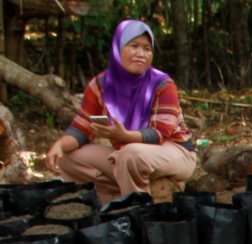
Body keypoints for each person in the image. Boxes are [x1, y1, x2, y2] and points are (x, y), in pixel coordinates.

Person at [44, 20, 195, 204]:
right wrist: (59, 145)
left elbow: (160, 133)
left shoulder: (162, 84)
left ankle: (138, 212)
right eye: (134, 46)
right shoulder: (100, 84)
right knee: (68, 158)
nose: (141, 54)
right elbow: (81, 128)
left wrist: (124, 135)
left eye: (147, 49)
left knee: (129, 154)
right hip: (126, 154)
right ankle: (110, 202)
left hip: (174, 151)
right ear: (118, 48)